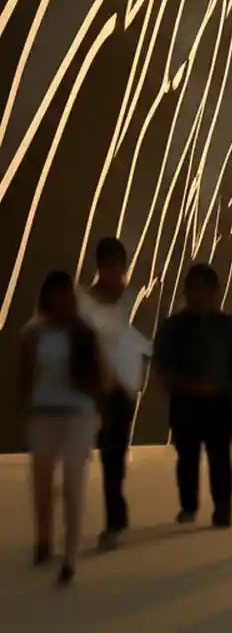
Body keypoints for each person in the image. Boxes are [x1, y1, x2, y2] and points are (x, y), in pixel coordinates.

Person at [153, 264, 232, 528]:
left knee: (219, 456)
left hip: (220, 402)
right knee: (187, 456)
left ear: (215, 293)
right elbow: (162, 363)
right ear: (185, 292)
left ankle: (222, 510)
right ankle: (188, 506)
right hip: (185, 401)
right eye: (193, 290)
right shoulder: (173, 327)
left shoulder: (229, 326)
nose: (198, 296)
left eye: (204, 290)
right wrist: (172, 385)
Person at [18, 271, 108, 586]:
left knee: (73, 483)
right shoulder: (34, 333)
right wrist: (24, 407)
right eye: (55, 295)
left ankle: (70, 556)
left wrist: (82, 384)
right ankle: (43, 540)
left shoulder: (85, 333)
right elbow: (25, 375)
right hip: (42, 413)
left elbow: (100, 379)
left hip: (77, 415)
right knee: (42, 485)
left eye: (65, 295)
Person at [79, 237, 152, 550]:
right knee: (94, 452)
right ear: (100, 267)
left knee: (112, 454)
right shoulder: (85, 303)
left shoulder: (133, 299)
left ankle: (114, 520)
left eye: (120, 267)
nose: (116, 273)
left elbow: (146, 345)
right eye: (110, 267)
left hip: (122, 390)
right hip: (92, 387)